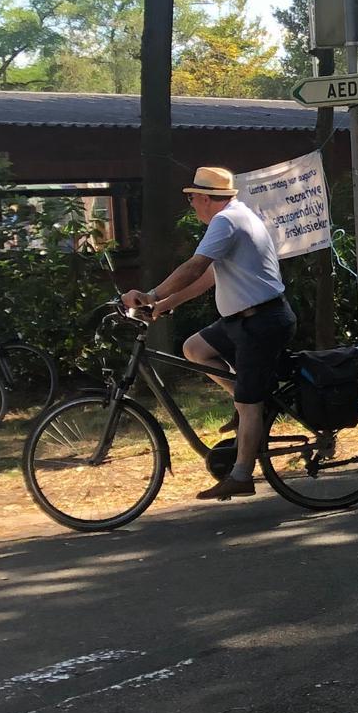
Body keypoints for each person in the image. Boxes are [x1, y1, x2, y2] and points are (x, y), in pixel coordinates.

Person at [124, 167, 293, 499]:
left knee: (249, 403)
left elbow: (194, 266)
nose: (192, 206)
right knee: (195, 349)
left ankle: (242, 474)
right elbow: (208, 277)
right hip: (243, 320)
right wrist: (165, 304)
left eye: (192, 199)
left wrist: (151, 295)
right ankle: (248, 406)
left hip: (261, 323)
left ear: (204, 198)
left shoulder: (226, 221)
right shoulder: (238, 213)